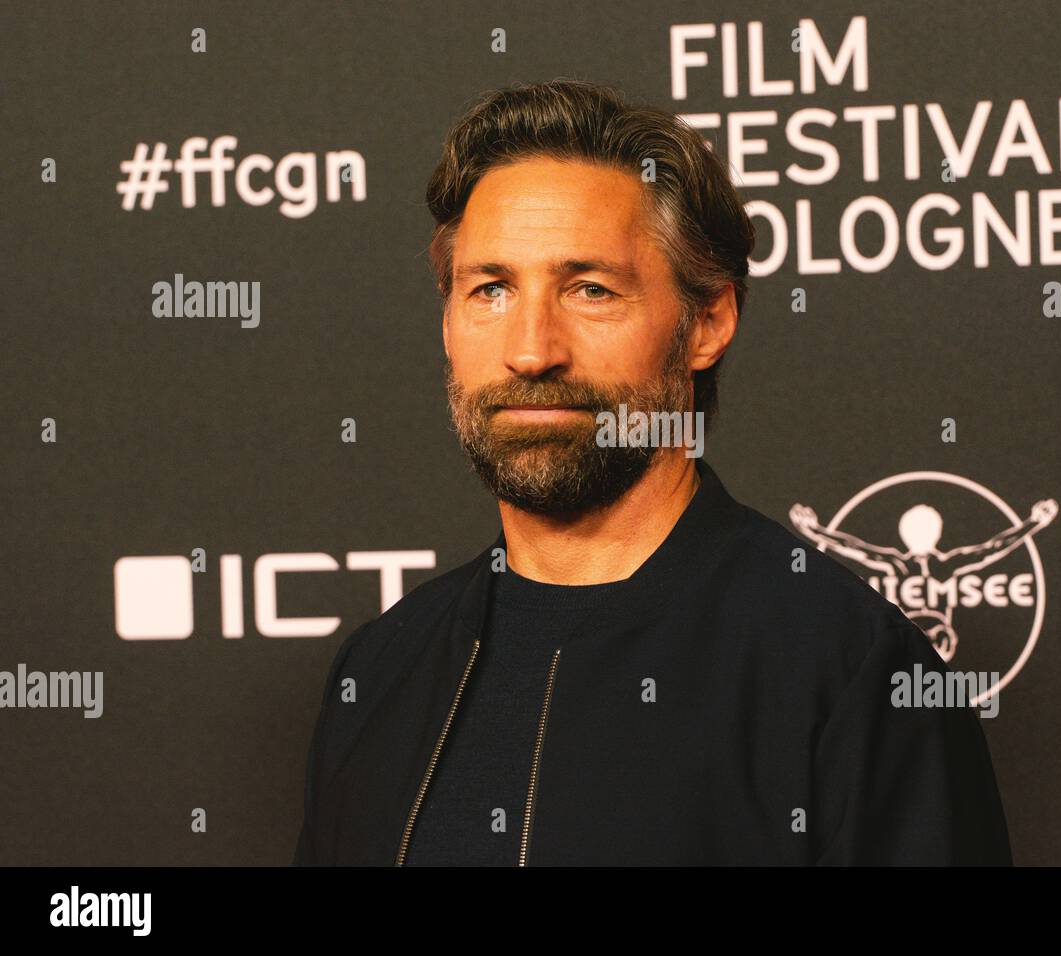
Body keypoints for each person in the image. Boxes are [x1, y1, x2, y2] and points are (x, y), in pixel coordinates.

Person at [293, 78, 1012, 866]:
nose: (531, 350)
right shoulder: (381, 669)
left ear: (708, 322)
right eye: (491, 289)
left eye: (590, 290)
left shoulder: (851, 673)